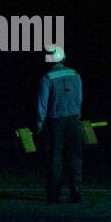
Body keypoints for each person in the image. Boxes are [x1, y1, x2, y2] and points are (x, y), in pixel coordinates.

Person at [36, 45, 84, 203]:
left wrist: (39, 124)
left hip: (55, 120)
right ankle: (75, 190)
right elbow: (79, 97)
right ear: (63, 58)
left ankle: (54, 193)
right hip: (74, 119)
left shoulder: (47, 78)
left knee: (55, 156)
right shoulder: (75, 74)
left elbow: (42, 104)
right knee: (74, 156)